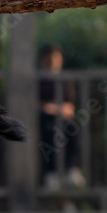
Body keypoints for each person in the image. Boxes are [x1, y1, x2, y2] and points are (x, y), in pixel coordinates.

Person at [39, 44, 85, 189]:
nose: (52, 61)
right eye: (49, 58)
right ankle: (51, 173)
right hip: (46, 119)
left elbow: (70, 104)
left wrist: (56, 108)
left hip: (64, 118)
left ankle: (71, 169)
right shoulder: (39, 79)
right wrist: (55, 108)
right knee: (49, 134)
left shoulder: (65, 79)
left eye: (55, 57)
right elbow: (38, 104)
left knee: (73, 129)